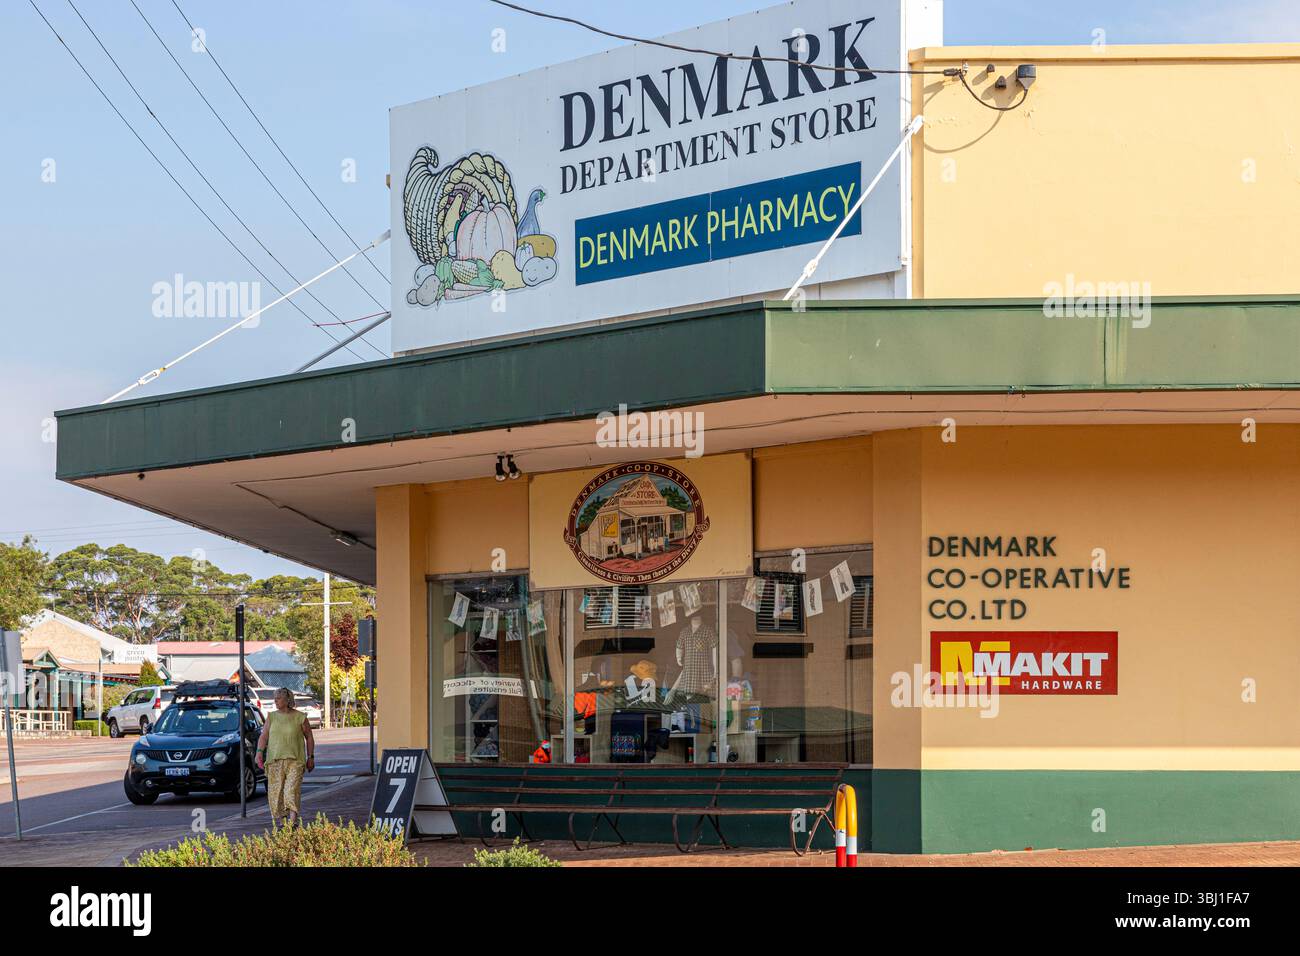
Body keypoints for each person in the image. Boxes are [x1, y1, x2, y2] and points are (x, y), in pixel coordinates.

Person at [256, 687, 314, 826]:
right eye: (275, 698)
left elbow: (309, 737)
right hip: (275, 760)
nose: (275, 701)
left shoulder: (300, 717)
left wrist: (311, 757)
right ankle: (283, 823)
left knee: (291, 790)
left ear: (287, 700)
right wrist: (259, 752)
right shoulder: (272, 717)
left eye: (278, 698)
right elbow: (264, 736)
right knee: (277, 793)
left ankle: (293, 822)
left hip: (295, 760)